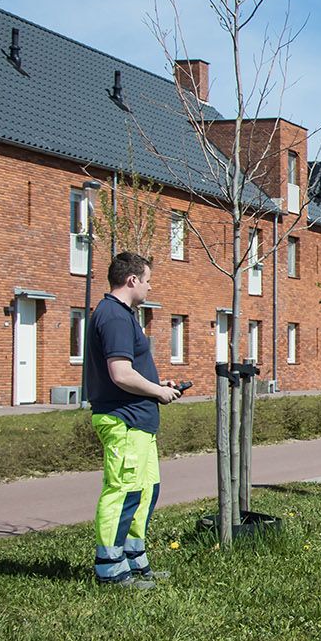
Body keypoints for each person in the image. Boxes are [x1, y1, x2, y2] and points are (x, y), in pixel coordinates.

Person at [84, 251, 182, 588]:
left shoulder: (123, 315)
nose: (150, 287)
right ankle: (110, 570)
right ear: (132, 280)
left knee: (145, 492)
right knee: (123, 492)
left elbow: (131, 370)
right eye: (148, 280)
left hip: (138, 422)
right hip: (123, 420)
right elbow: (121, 374)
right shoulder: (113, 317)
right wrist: (157, 391)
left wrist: (158, 385)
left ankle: (134, 561)